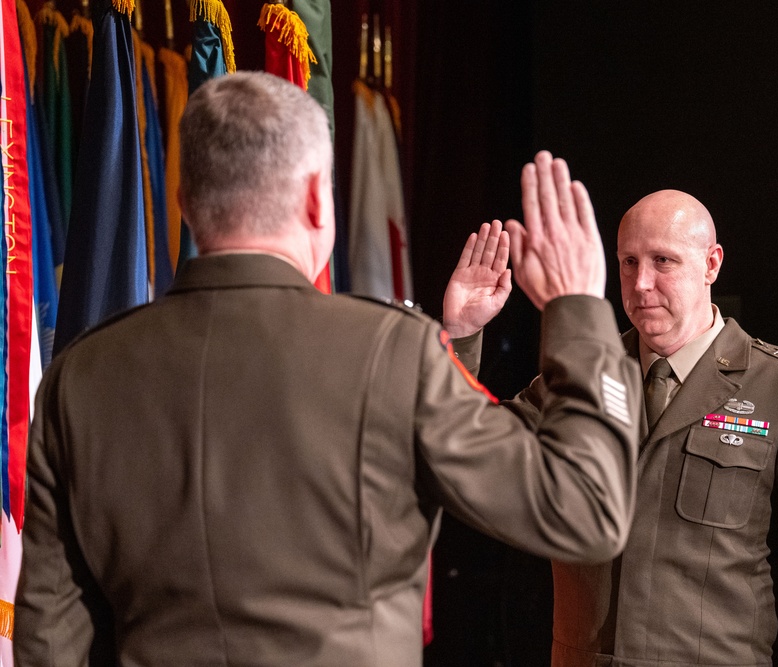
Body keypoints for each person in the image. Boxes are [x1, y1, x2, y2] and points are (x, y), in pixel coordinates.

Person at [14, 73, 642, 666]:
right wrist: (579, 309)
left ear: (183, 199)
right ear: (318, 196)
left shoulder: (81, 375)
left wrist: (456, 338)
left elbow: (49, 638)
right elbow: (586, 510)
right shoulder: (392, 352)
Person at [445, 188, 778, 665]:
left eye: (663, 261)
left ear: (711, 264)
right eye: (627, 262)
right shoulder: (579, 374)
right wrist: (459, 335)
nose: (640, 284)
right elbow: (466, 449)